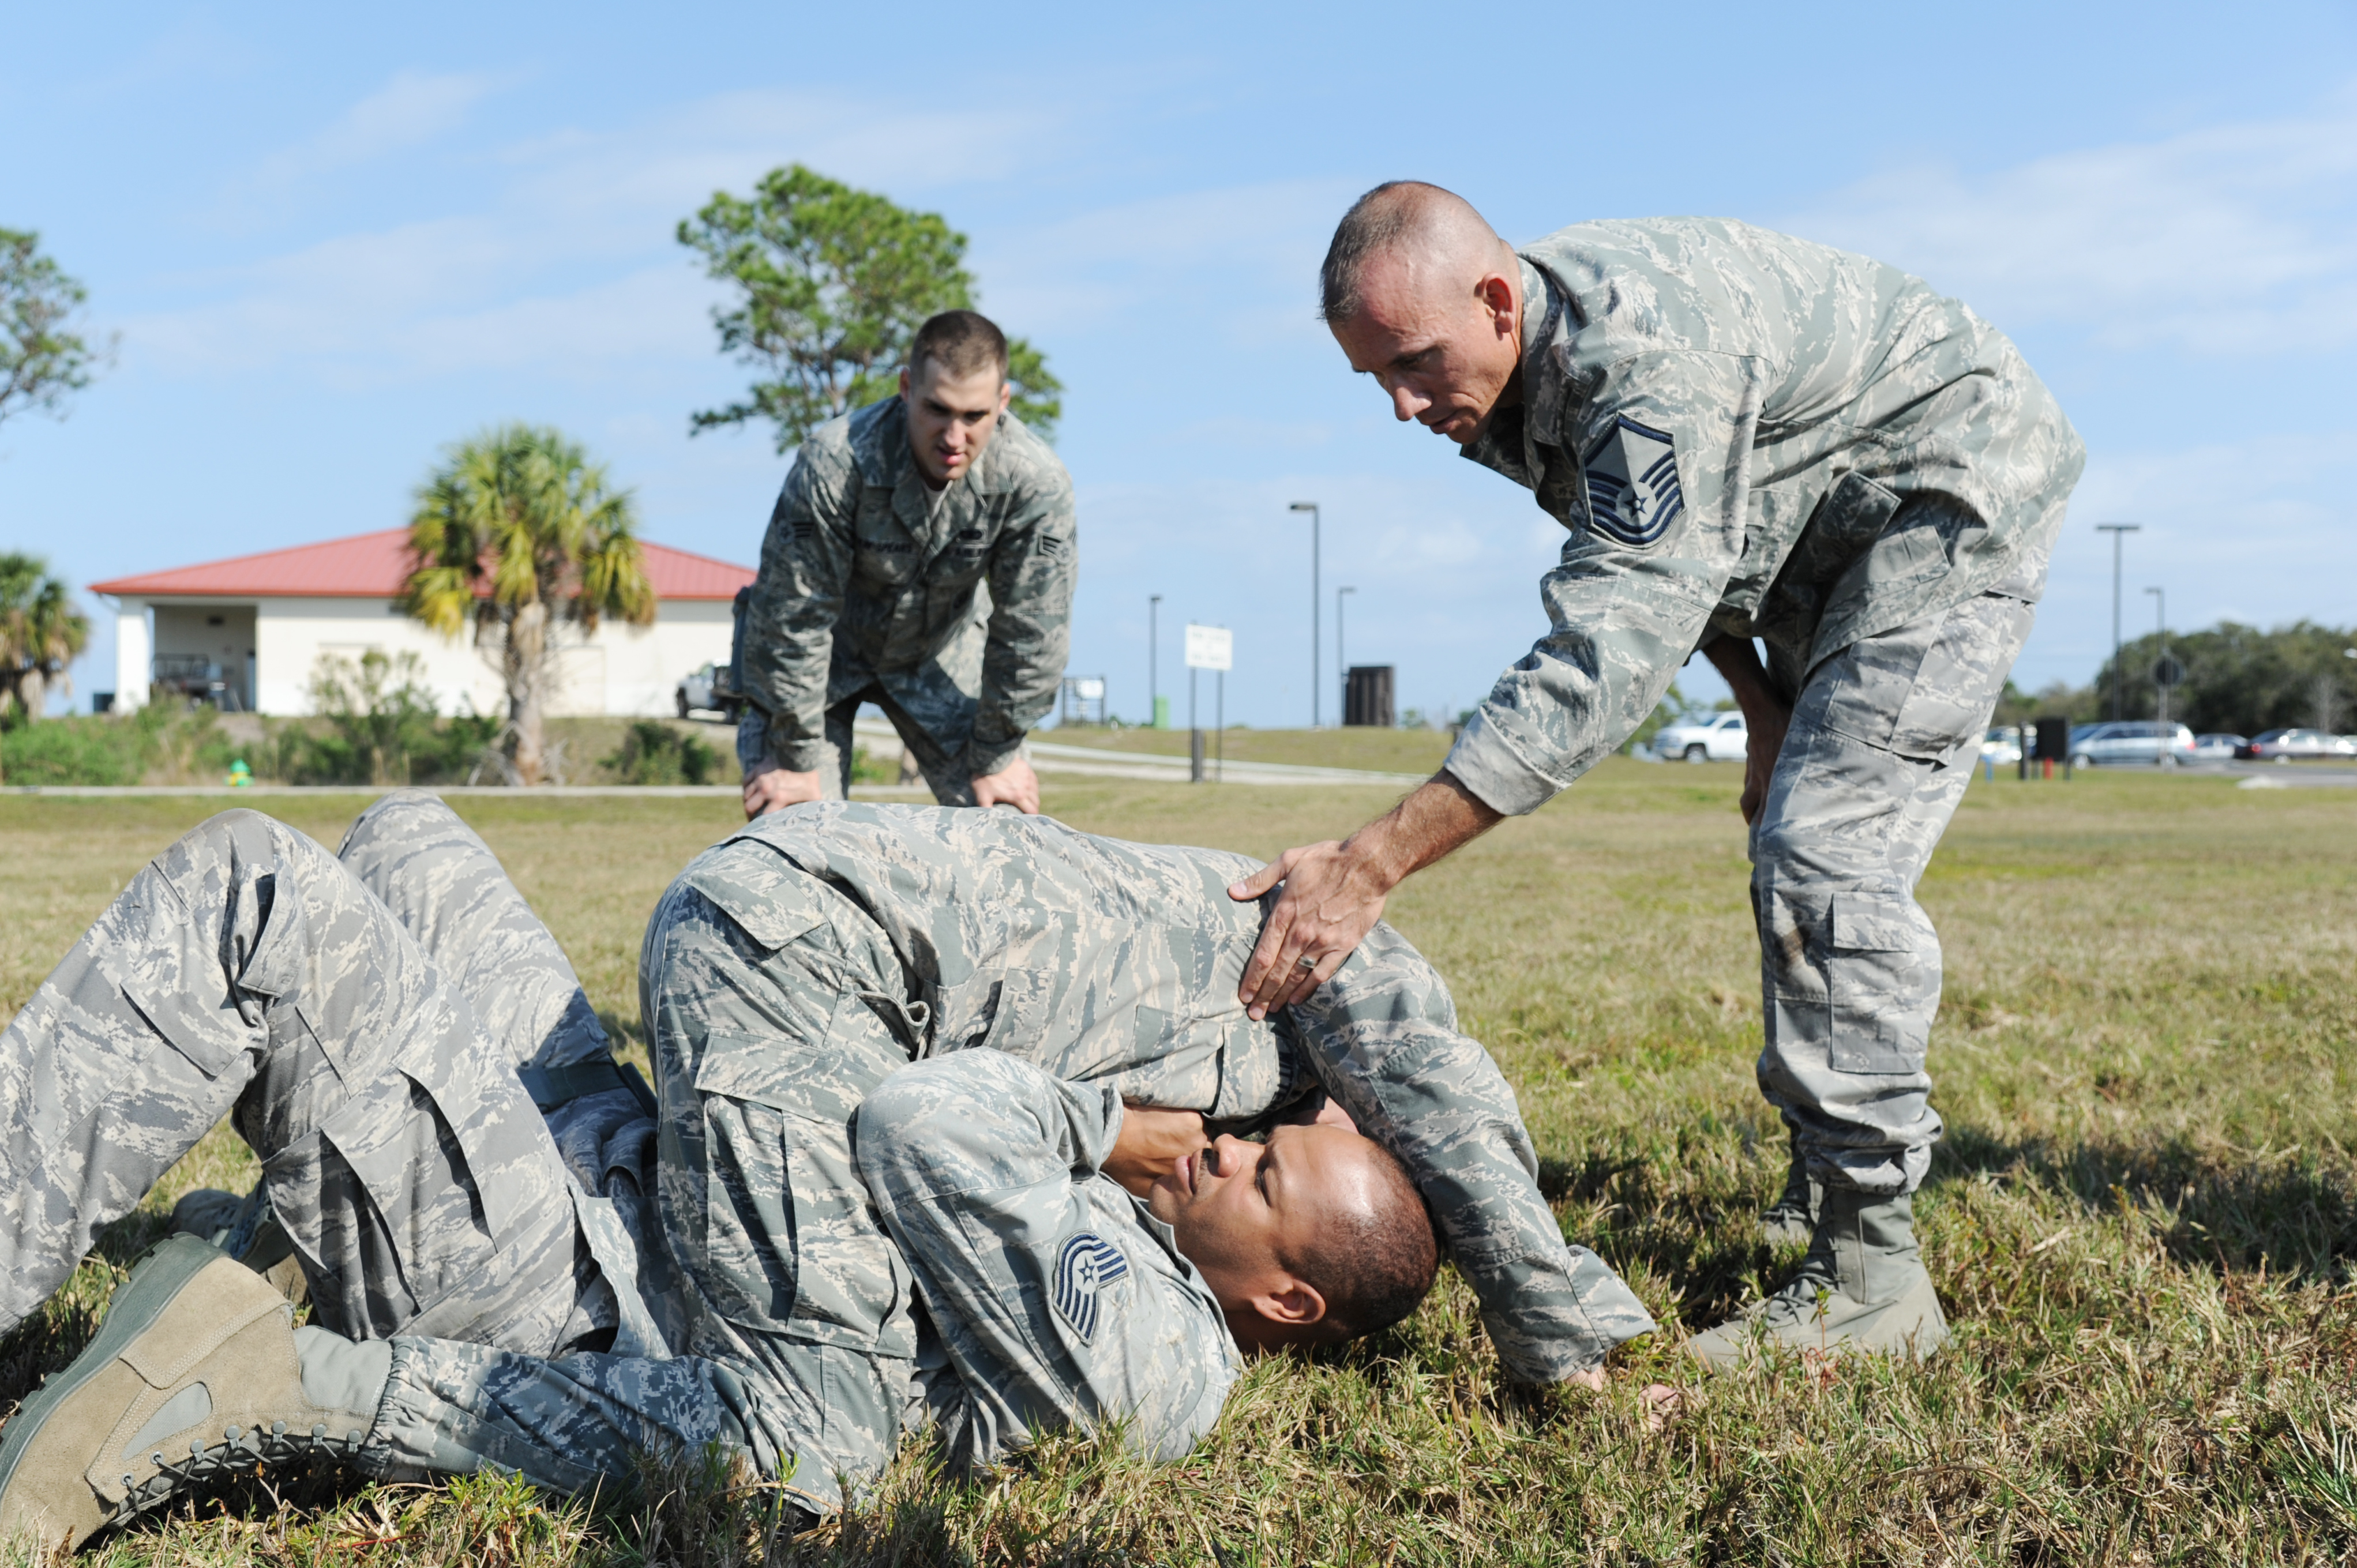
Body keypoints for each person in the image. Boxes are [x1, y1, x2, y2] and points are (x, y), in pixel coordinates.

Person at [0, 791, 1635, 1548]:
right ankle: (289, 1218)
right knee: (408, 829)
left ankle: (252, 1302)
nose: (1221, 1128)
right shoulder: (1177, 1208)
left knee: (249, 887)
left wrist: (1092, 1122)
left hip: (560, 1284)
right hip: (634, 1170)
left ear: (1278, 1294)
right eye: (1262, 1119)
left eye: (1260, 1167)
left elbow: (915, 1128)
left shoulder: (1152, 1346)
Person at [1231, 184, 2084, 1365]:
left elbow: (1611, 643)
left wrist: (1372, 863)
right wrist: (1763, 709)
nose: (1404, 405)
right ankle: (1825, 1182)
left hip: (1942, 494)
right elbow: (1676, 555)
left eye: (1416, 365)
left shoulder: (1643, 361)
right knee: (1794, 831)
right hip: (1812, 530)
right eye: (1378, 378)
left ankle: (1876, 1278)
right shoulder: (1501, 382)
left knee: (1828, 856)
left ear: (1493, 297)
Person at [734, 309, 1075, 819]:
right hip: (821, 663)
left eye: (975, 416)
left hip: (940, 651)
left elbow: (1033, 631)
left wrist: (997, 752)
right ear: (906, 387)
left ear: (1003, 402)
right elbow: (796, 615)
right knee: (796, 829)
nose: (954, 437)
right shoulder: (834, 462)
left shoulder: (1035, 482)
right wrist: (797, 755)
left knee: (1004, 830)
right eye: (937, 409)